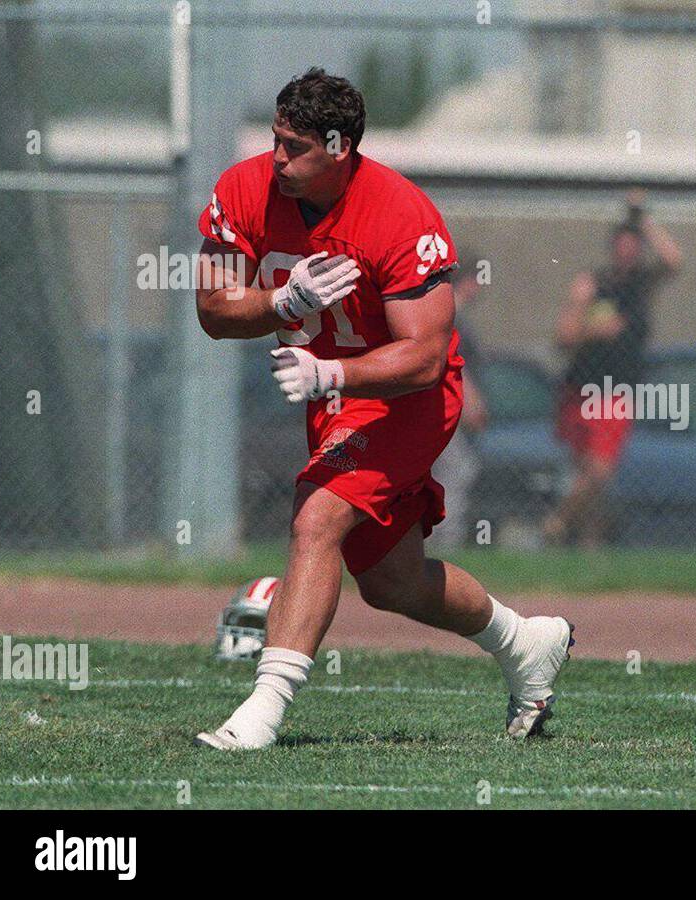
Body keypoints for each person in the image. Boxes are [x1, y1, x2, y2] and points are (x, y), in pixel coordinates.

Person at [191, 69, 572, 749]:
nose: (277, 158)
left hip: (407, 400)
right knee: (391, 582)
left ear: (339, 148)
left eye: (295, 147)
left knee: (315, 519)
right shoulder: (245, 189)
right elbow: (213, 310)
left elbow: (424, 357)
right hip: (331, 398)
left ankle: (264, 711)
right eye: (276, 139)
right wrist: (282, 303)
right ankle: (525, 645)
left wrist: (329, 369)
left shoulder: (399, 214)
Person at [544, 189, 681, 546]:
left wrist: (643, 218)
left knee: (600, 471)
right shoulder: (591, 284)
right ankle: (591, 550)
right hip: (581, 387)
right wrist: (594, 330)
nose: (628, 252)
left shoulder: (641, 286)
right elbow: (563, 336)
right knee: (587, 475)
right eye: (622, 244)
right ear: (612, 248)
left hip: (617, 390)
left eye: (634, 245)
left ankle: (554, 525)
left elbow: (673, 261)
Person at [429, 258, 489, 548]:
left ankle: (436, 543)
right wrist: (471, 407)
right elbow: (456, 367)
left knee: (447, 475)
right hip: (444, 412)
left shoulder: (445, 313)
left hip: (442, 412)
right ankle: (444, 543)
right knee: (456, 473)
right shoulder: (450, 316)